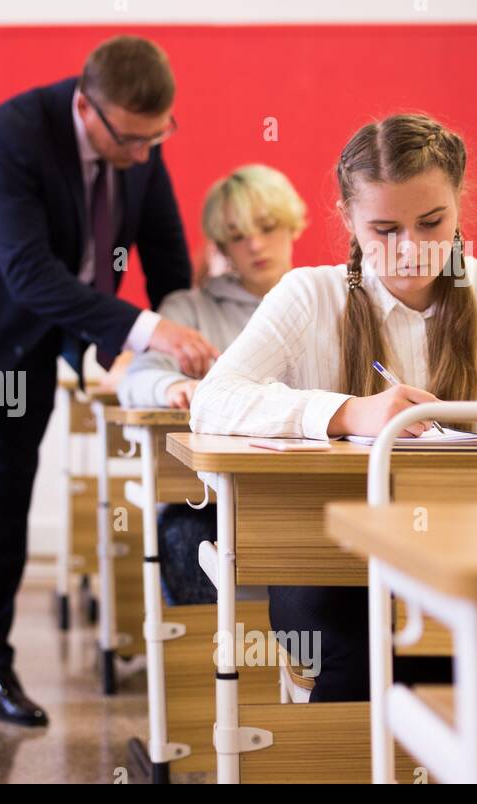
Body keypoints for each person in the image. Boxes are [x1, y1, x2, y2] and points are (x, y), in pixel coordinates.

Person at [190, 113, 477, 700]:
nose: (411, 249)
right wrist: (349, 413)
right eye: (385, 228)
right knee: (354, 650)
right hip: (331, 556)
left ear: (460, 205)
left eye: (432, 222)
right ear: (347, 219)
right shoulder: (309, 295)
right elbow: (214, 400)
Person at [0, 34, 218, 757]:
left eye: (156, 137)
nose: (142, 153)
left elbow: (163, 255)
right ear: (85, 107)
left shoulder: (140, 143)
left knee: (10, 501)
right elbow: (29, 274)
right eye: (130, 139)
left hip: (32, 347)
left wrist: (183, 344)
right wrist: (147, 331)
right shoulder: (7, 136)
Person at [118, 164, 306, 605]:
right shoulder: (189, 309)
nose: (256, 245)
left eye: (267, 227)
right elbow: (138, 376)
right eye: (238, 236)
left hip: (303, 492)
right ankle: (212, 667)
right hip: (211, 500)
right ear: (222, 246)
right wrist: (170, 387)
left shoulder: (323, 298)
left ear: (292, 226)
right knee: (185, 538)